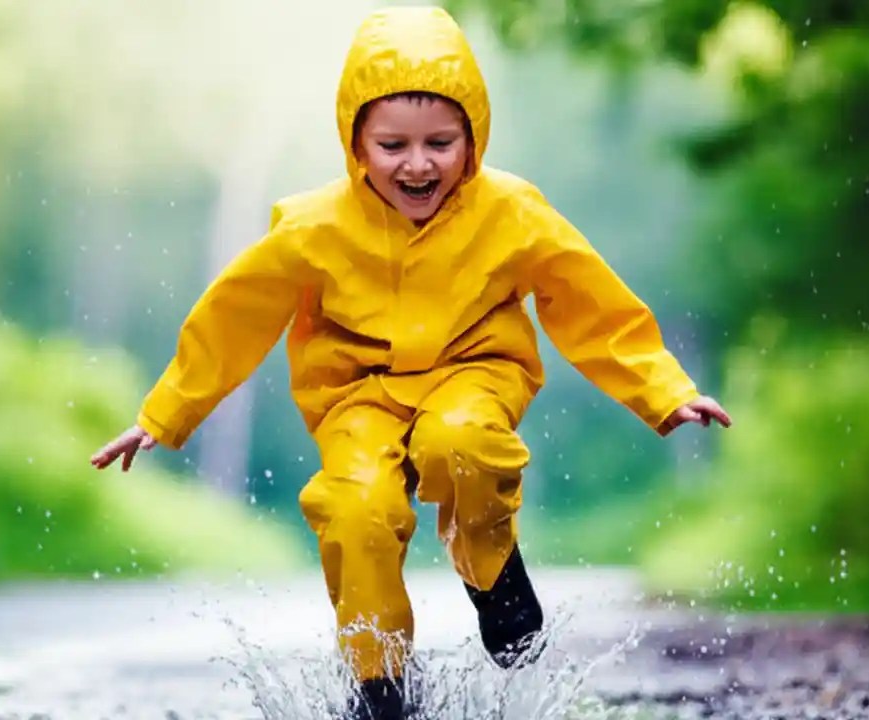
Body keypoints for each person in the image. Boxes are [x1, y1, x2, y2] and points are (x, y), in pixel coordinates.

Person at [91, 6, 731, 719]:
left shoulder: (512, 212)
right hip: (356, 396)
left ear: (473, 138)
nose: (418, 164)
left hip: (476, 374)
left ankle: (491, 570)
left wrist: (662, 388)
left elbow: (589, 304)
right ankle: (378, 682)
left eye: (441, 142)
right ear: (356, 143)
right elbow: (234, 318)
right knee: (355, 506)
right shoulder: (311, 227)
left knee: (459, 442)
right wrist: (165, 413)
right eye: (393, 144)